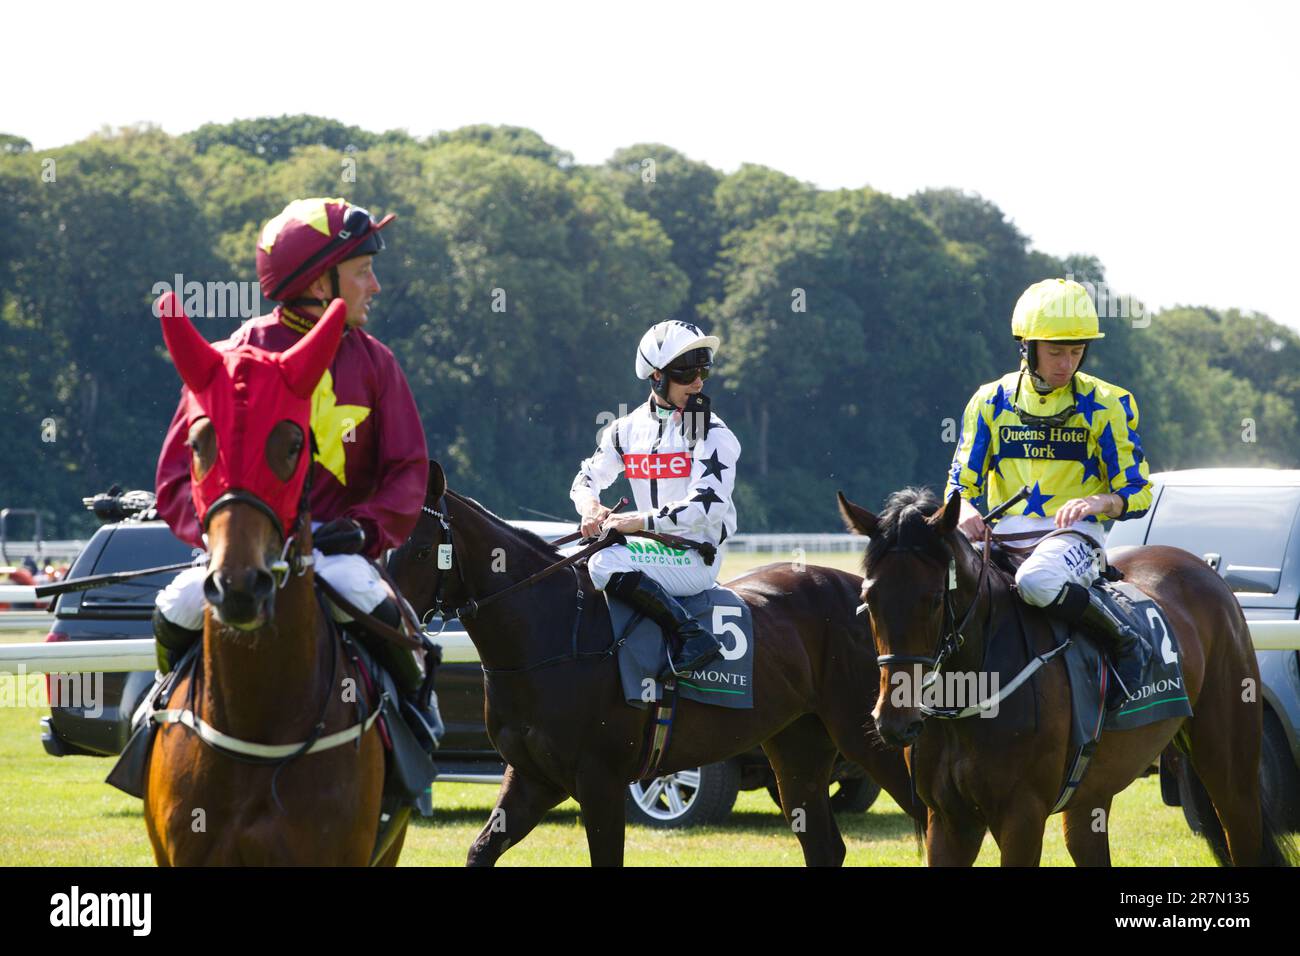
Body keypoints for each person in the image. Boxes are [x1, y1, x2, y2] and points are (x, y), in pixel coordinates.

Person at [152, 196, 436, 734]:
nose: (374, 287)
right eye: (364, 273)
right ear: (319, 283)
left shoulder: (376, 362)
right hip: (244, 549)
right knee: (176, 608)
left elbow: (407, 469)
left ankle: (416, 725)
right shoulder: (235, 355)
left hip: (334, 553)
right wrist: (220, 537)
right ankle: (162, 719)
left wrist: (365, 529)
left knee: (375, 605)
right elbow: (174, 479)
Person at [946, 278, 1154, 704]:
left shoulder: (1109, 404)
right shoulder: (989, 402)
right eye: (1056, 352)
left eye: (1076, 352)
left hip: (1074, 537)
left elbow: (1138, 490)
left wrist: (1102, 501)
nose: (1066, 364)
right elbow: (959, 484)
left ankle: (1126, 641)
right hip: (1001, 533)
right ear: (1028, 347)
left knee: (1036, 582)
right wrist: (965, 506)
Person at [570, 320, 741, 678]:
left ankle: (691, 636)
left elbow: (705, 507)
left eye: (703, 369)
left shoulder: (709, 430)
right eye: (686, 372)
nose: (698, 382)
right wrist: (590, 507)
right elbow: (585, 478)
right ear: (656, 376)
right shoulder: (625, 429)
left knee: (602, 564)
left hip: (693, 556)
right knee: (563, 562)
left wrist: (639, 521)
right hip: (646, 552)